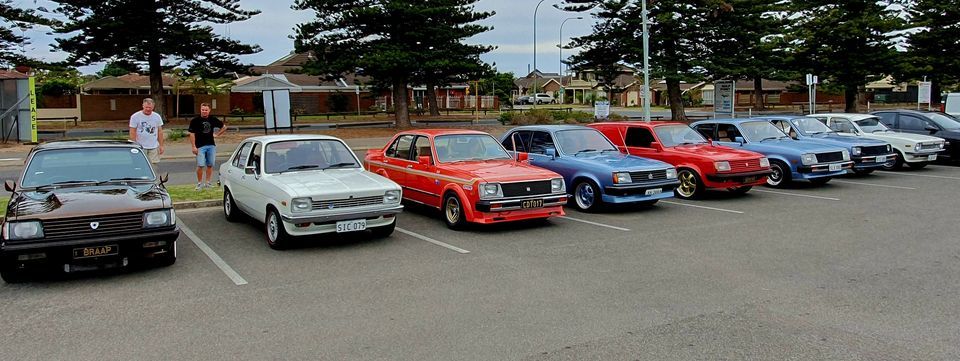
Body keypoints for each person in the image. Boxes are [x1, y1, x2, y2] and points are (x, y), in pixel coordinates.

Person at [189, 103, 228, 190]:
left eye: (206, 110)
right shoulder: (195, 121)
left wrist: (217, 134)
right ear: (200, 110)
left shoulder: (212, 119)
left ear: (209, 110)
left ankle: (208, 182)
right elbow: (192, 134)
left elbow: (224, 127)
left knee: (210, 164)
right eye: (203, 110)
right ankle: (199, 183)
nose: (204, 111)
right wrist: (193, 146)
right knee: (200, 165)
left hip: (211, 145)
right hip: (200, 146)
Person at [129, 98, 165, 165]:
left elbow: (160, 131)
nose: (148, 109)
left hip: (153, 146)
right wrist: (134, 144)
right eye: (146, 107)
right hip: (141, 146)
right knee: (140, 164)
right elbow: (132, 131)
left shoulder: (157, 116)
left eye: (150, 107)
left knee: (154, 165)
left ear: (153, 107)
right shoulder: (135, 116)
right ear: (143, 106)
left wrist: (161, 145)